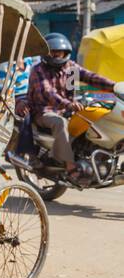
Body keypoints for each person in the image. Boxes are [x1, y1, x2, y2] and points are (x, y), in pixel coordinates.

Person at [25, 32, 115, 179]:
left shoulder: (70, 68)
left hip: (66, 111)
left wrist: (115, 86)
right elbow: (48, 93)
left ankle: (91, 157)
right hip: (44, 112)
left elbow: (92, 78)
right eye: (53, 52)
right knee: (60, 123)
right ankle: (70, 166)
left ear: (65, 53)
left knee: (95, 117)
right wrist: (69, 104)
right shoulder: (38, 70)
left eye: (59, 52)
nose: (56, 55)